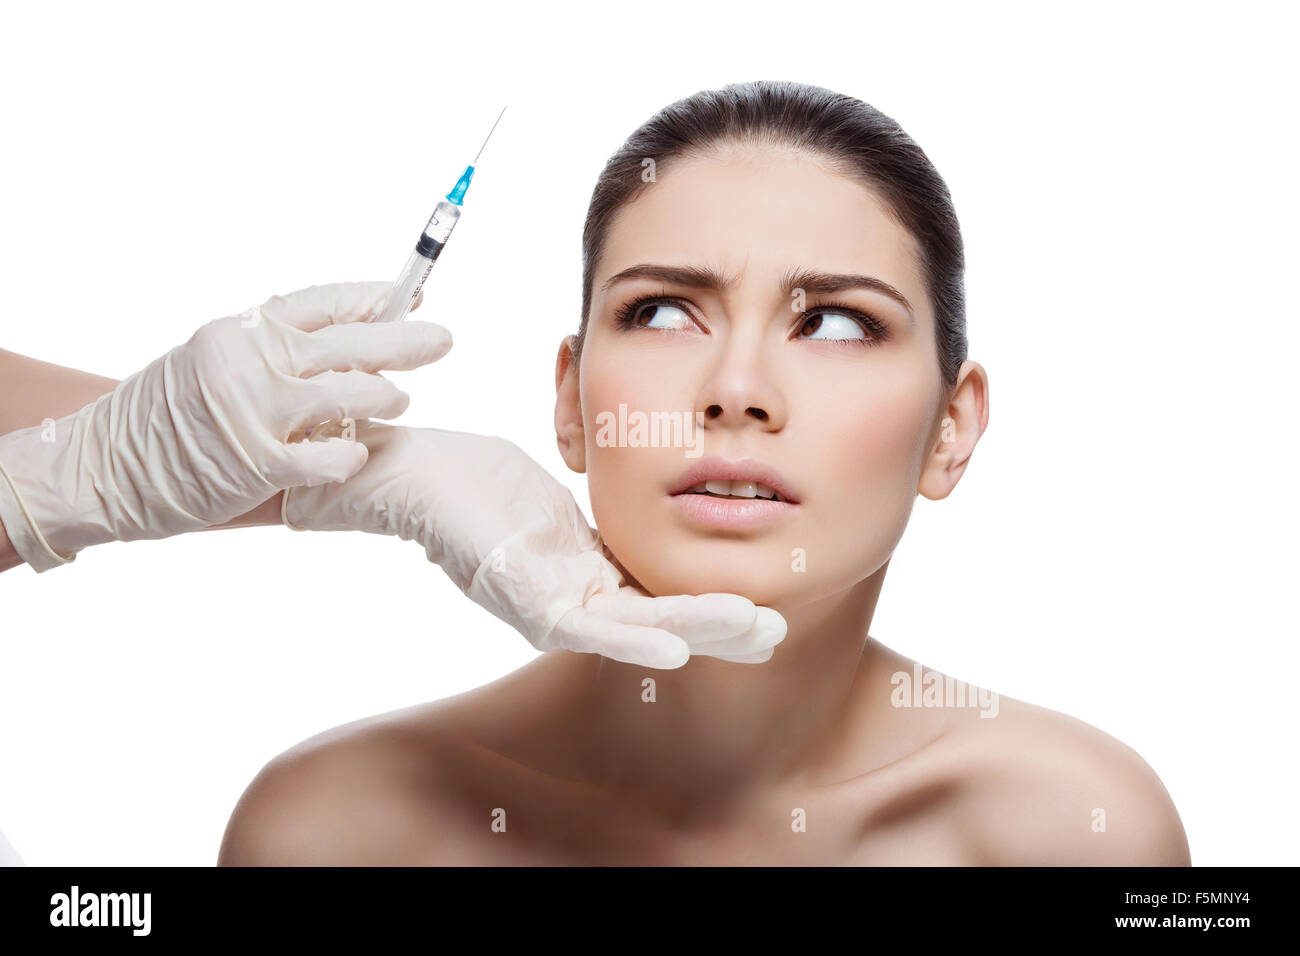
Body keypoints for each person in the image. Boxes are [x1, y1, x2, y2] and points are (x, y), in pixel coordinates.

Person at [217, 80, 1191, 866]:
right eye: (664, 312)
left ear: (950, 428)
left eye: (837, 322)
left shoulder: (1072, 832)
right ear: (571, 400)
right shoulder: (340, 832)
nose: (736, 389)